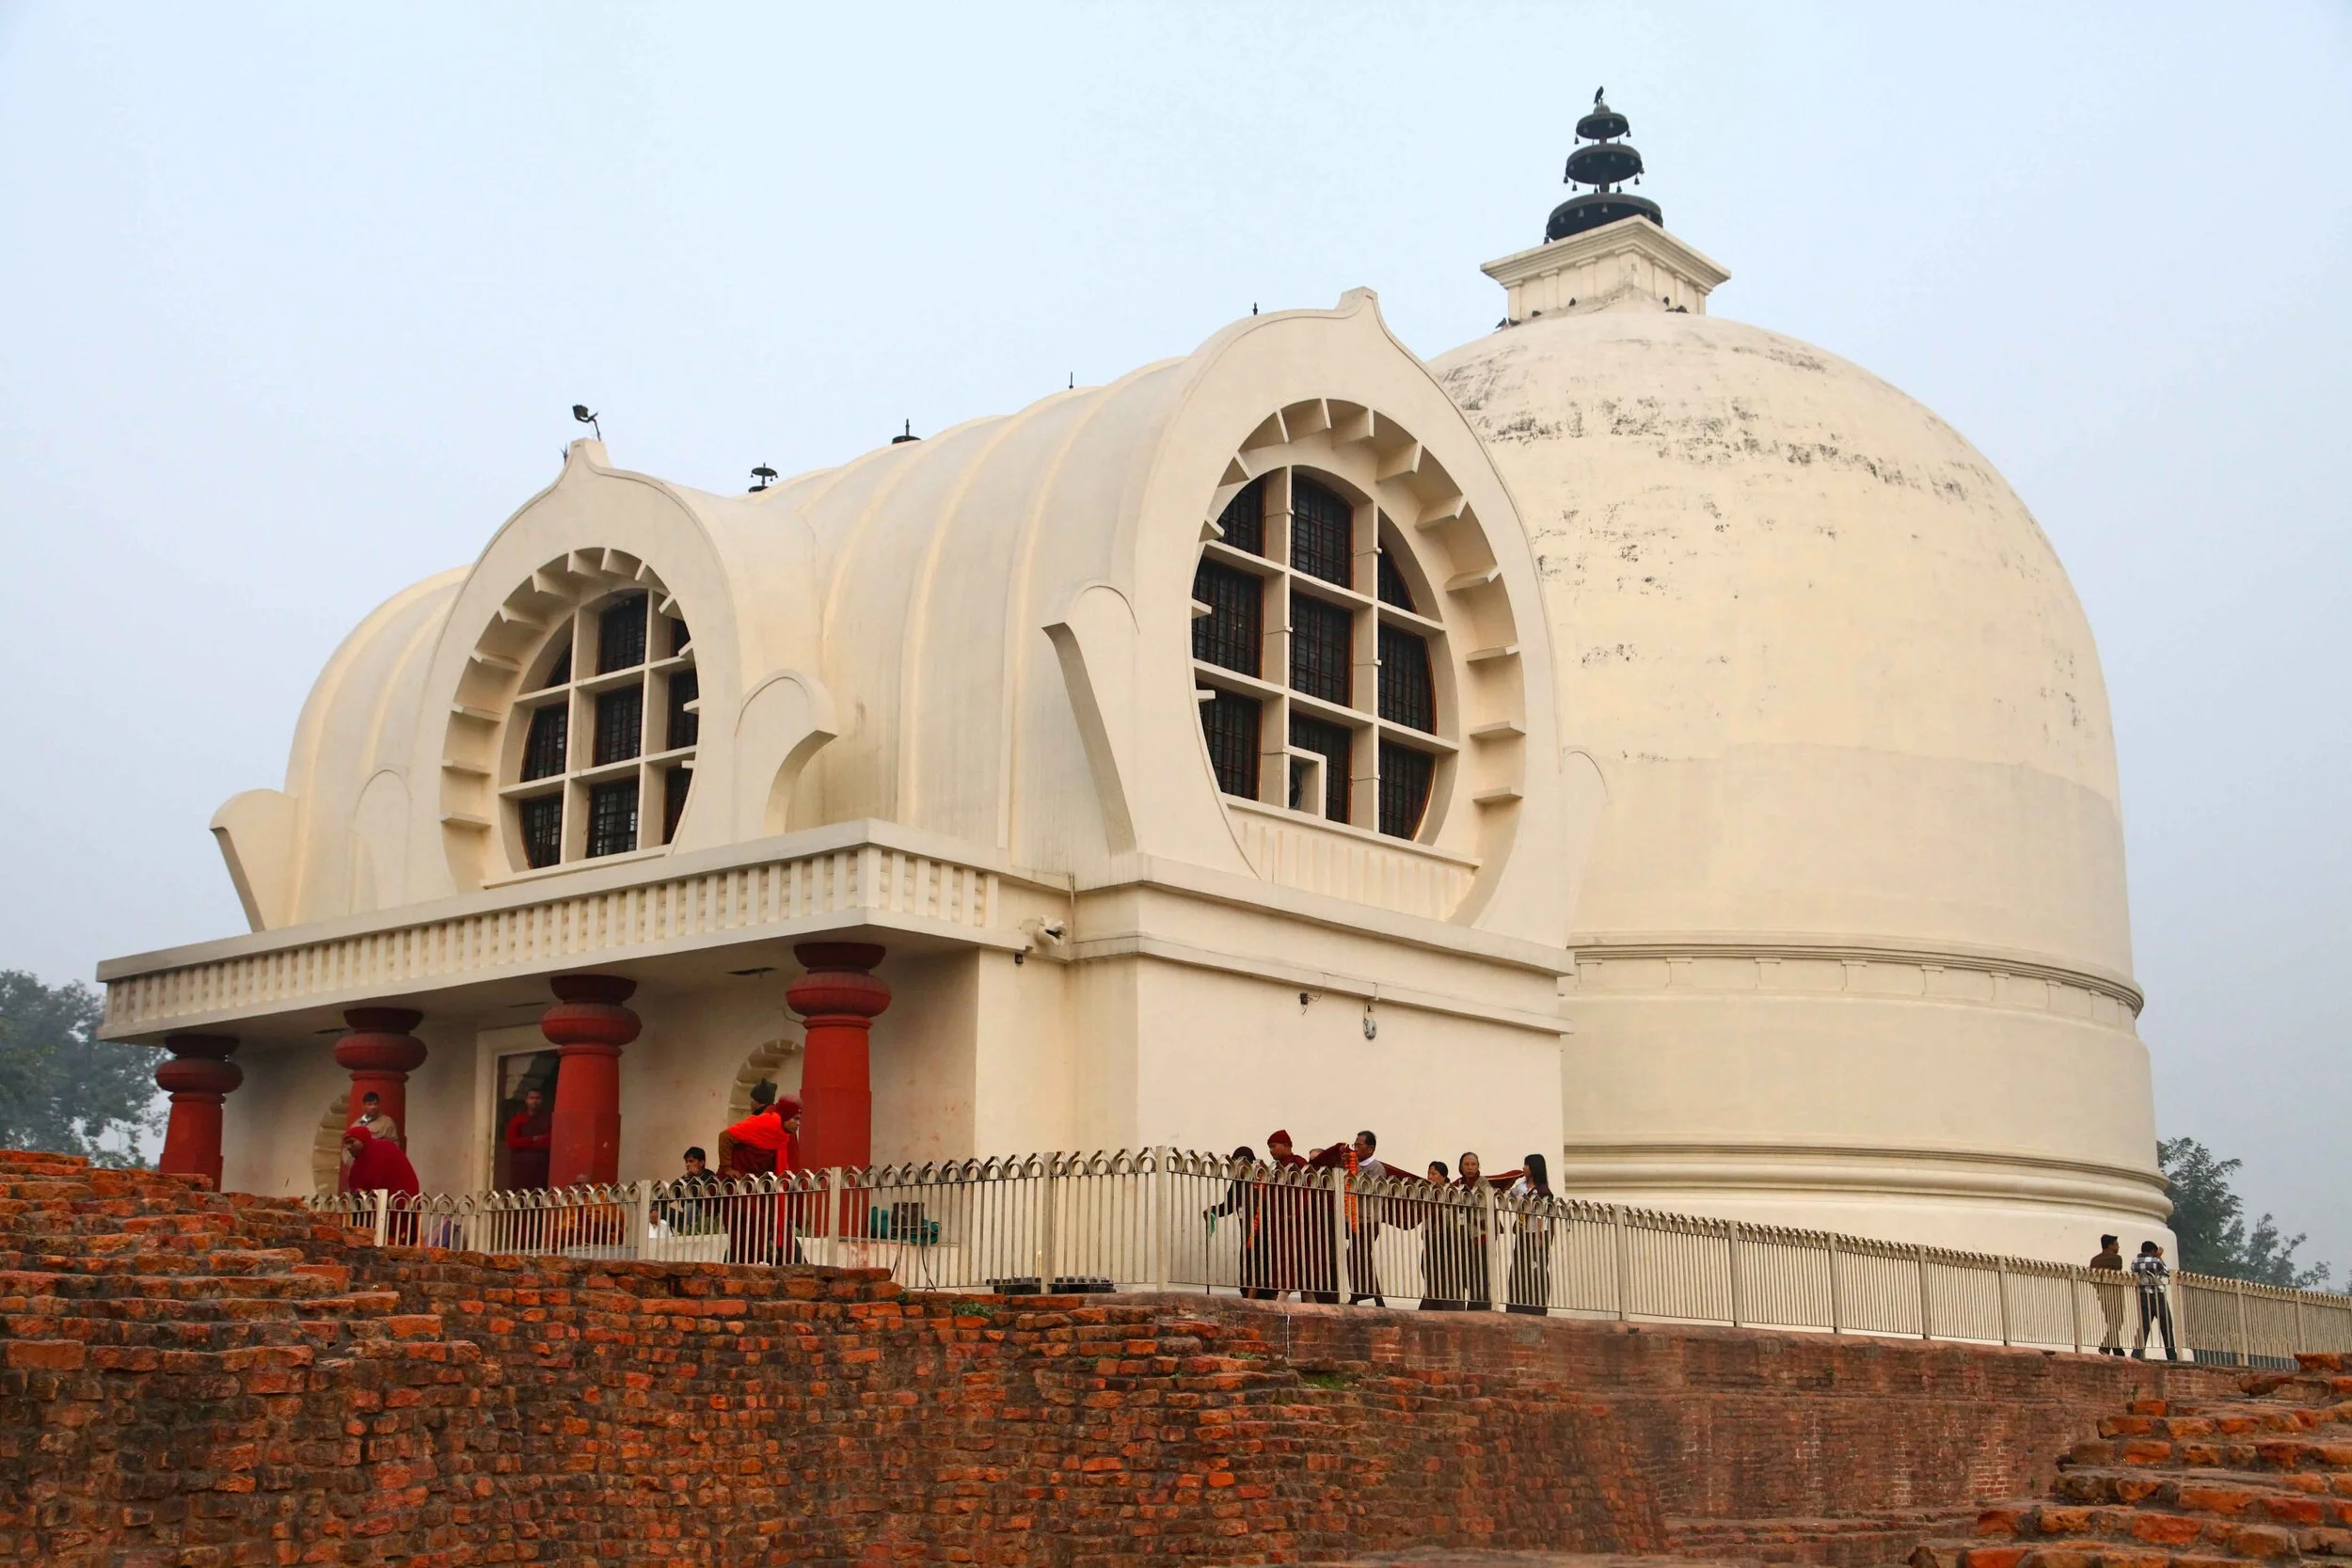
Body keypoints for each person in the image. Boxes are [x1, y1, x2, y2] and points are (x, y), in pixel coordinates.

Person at [1309, 1130, 1402, 1307]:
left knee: (1359, 1256)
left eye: (1359, 1145)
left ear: (1371, 1149)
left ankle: (1363, 1297)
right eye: (1355, 1145)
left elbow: (1366, 1191)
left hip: (1367, 1219)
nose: (1356, 1149)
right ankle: (1372, 1297)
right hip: (1351, 1218)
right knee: (1359, 1257)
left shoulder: (1377, 1168)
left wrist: (1353, 1172)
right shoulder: (1353, 1164)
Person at [722, 1091, 803, 1264]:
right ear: (786, 1116)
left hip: (761, 1190)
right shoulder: (764, 1123)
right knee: (750, 1230)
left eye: (799, 1119)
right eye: (795, 1119)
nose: (798, 1124)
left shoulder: (781, 1134)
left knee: (770, 1230)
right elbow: (725, 1137)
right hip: (741, 1188)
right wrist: (727, 1168)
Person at [1204, 1146, 1280, 1300]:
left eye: (1238, 1161)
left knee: (1264, 1264)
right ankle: (1247, 1295)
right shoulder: (1238, 1182)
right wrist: (1213, 1210)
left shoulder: (1261, 1178)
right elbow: (1229, 1205)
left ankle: (1260, 1298)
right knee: (1248, 1264)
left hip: (1264, 1230)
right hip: (1247, 1232)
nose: (1236, 1165)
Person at [340, 1125, 422, 1244]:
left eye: (352, 1142)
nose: (348, 1147)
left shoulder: (385, 1148)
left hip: (396, 1205)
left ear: (363, 1139)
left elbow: (396, 1178)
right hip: (372, 1210)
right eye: (346, 1144)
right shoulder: (358, 1164)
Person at [1503, 1152, 1554, 1315]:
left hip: (1536, 1233)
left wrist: (1538, 1236)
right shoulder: (1521, 1187)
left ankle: (1536, 1305)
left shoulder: (1543, 1191)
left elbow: (1541, 1215)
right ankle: (1517, 1304)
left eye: (1526, 1165)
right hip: (1522, 1232)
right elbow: (1506, 1197)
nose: (1524, 1168)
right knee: (1520, 1267)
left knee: (1536, 1268)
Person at [1263, 1131, 1311, 1301]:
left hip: (1298, 1222)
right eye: (1269, 1147)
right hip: (1281, 1221)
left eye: (1273, 1146)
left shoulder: (1299, 1164)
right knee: (1284, 1257)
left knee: (1295, 1259)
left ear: (1286, 1145)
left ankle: (1283, 1297)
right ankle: (1309, 1300)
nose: (1271, 1151)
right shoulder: (1277, 1168)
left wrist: (1296, 1214)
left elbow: (1309, 1191)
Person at [1416, 1160, 1465, 1310]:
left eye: (1434, 1174)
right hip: (1431, 1238)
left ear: (1443, 1177)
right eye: (1429, 1173)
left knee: (1446, 1275)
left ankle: (1448, 1305)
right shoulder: (1426, 1192)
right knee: (1429, 1272)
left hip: (1447, 1238)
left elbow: (1456, 1216)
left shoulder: (1452, 1193)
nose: (1430, 1177)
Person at [1454, 1152, 1494, 1311]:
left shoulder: (1484, 1184)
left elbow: (1480, 1204)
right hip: (1463, 1237)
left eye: (1473, 1164)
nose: (1470, 1168)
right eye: (1466, 1164)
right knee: (1466, 1272)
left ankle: (1481, 1306)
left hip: (1481, 1236)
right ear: (1461, 1167)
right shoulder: (1458, 1184)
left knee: (1482, 1272)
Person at [2131, 1241, 2178, 1361]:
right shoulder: (2156, 1261)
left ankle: (2136, 1353)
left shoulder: (2134, 1262)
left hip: (2143, 1295)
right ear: (2152, 1251)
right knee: (2166, 1325)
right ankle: (2171, 1356)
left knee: (2144, 1326)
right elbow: (2167, 1273)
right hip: (2157, 1296)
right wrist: (2159, 1257)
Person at [502, 1086, 552, 1191]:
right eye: (531, 1098)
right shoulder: (517, 1120)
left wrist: (524, 1143)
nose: (534, 1101)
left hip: (541, 1166)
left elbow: (549, 1142)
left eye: (537, 1098)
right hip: (521, 1167)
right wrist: (532, 1139)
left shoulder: (548, 1119)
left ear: (542, 1100)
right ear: (526, 1100)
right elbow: (512, 1143)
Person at [2090, 1234, 2128, 1354]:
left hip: (2102, 1293)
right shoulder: (2117, 1259)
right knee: (2117, 1320)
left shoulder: (2094, 1260)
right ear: (2110, 1246)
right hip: (2115, 1293)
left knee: (2111, 1321)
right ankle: (2105, 1346)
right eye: (2116, 1244)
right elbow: (2117, 1272)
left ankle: (2117, 1350)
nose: (2118, 1247)